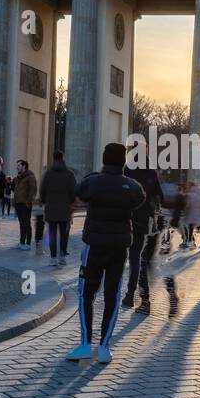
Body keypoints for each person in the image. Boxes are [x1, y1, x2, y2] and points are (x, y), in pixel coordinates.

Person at [66, 143, 144, 364]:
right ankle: (104, 347)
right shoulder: (131, 186)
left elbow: (79, 191)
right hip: (119, 247)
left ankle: (84, 344)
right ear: (123, 161)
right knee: (113, 294)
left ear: (103, 158)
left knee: (86, 294)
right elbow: (140, 199)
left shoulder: (94, 182)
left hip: (94, 245)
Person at [123, 158, 162, 312]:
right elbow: (158, 196)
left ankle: (130, 294)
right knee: (137, 259)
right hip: (143, 221)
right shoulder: (151, 173)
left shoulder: (127, 170)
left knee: (130, 258)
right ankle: (141, 298)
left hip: (126, 220)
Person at [39, 151, 77, 265]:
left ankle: (53, 257)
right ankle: (62, 256)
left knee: (52, 233)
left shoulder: (48, 174)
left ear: (53, 158)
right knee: (64, 233)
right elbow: (73, 190)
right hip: (65, 208)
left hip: (51, 208)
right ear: (63, 158)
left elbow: (42, 190)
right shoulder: (69, 174)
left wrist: (45, 201)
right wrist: (70, 201)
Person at [12, 159, 37, 250]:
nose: (17, 167)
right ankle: (22, 242)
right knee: (21, 223)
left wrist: (28, 201)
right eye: (17, 165)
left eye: (18, 165)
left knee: (26, 223)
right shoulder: (19, 177)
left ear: (24, 166)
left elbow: (33, 190)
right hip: (18, 203)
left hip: (25, 204)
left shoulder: (30, 176)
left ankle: (28, 243)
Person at [183, 180, 200, 249]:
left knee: (190, 228)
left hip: (193, 214)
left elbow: (188, 205)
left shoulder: (190, 194)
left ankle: (190, 242)